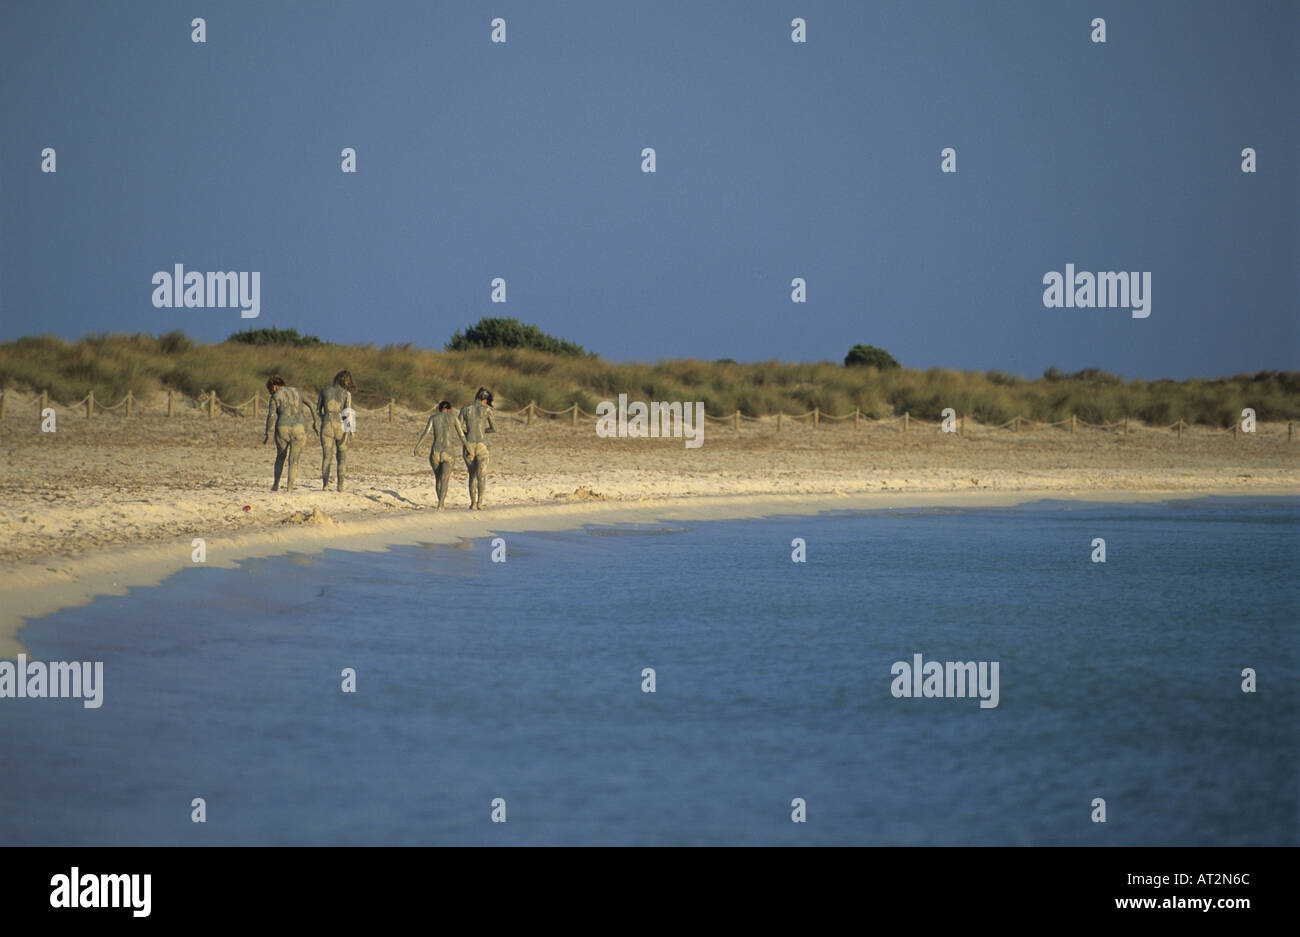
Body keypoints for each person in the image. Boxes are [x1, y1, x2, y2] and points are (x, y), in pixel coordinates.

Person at [263, 376, 317, 491]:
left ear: (274, 386)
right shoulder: (298, 391)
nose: (269, 392)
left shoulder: (275, 396)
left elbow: (271, 416)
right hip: (299, 427)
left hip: (283, 427)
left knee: (281, 456)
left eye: (269, 390)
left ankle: (276, 485)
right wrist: (316, 422)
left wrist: (267, 431)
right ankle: (290, 487)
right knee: (294, 460)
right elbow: (312, 405)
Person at [413, 400, 467, 509]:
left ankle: (439, 501)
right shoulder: (453, 418)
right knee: (445, 478)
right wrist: (467, 447)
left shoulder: (433, 418)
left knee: (438, 478)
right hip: (448, 451)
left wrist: (417, 446)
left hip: (435, 451)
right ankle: (441, 503)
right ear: (449, 409)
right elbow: (461, 435)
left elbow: (425, 433)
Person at [458, 387, 496, 510]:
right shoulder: (488, 410)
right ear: (485, 399)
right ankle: (480, 503)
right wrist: (482, 431)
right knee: (482, 475)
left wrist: (468, 432)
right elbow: (493, 428)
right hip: (482, 445)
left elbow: (458, 428)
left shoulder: (465, 409)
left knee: (472, 475)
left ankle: (473, 503)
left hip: (468, 444)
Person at [318, 370, 355, 491]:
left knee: (326, 456)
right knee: (342, 457)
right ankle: (340, 486)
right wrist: (351, 432)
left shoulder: (324, 390)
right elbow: (348, 413)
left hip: (327, 423)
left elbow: (318, 410)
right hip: (341, 425)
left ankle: (325, 485)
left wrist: (323, 419)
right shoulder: (346, 394)